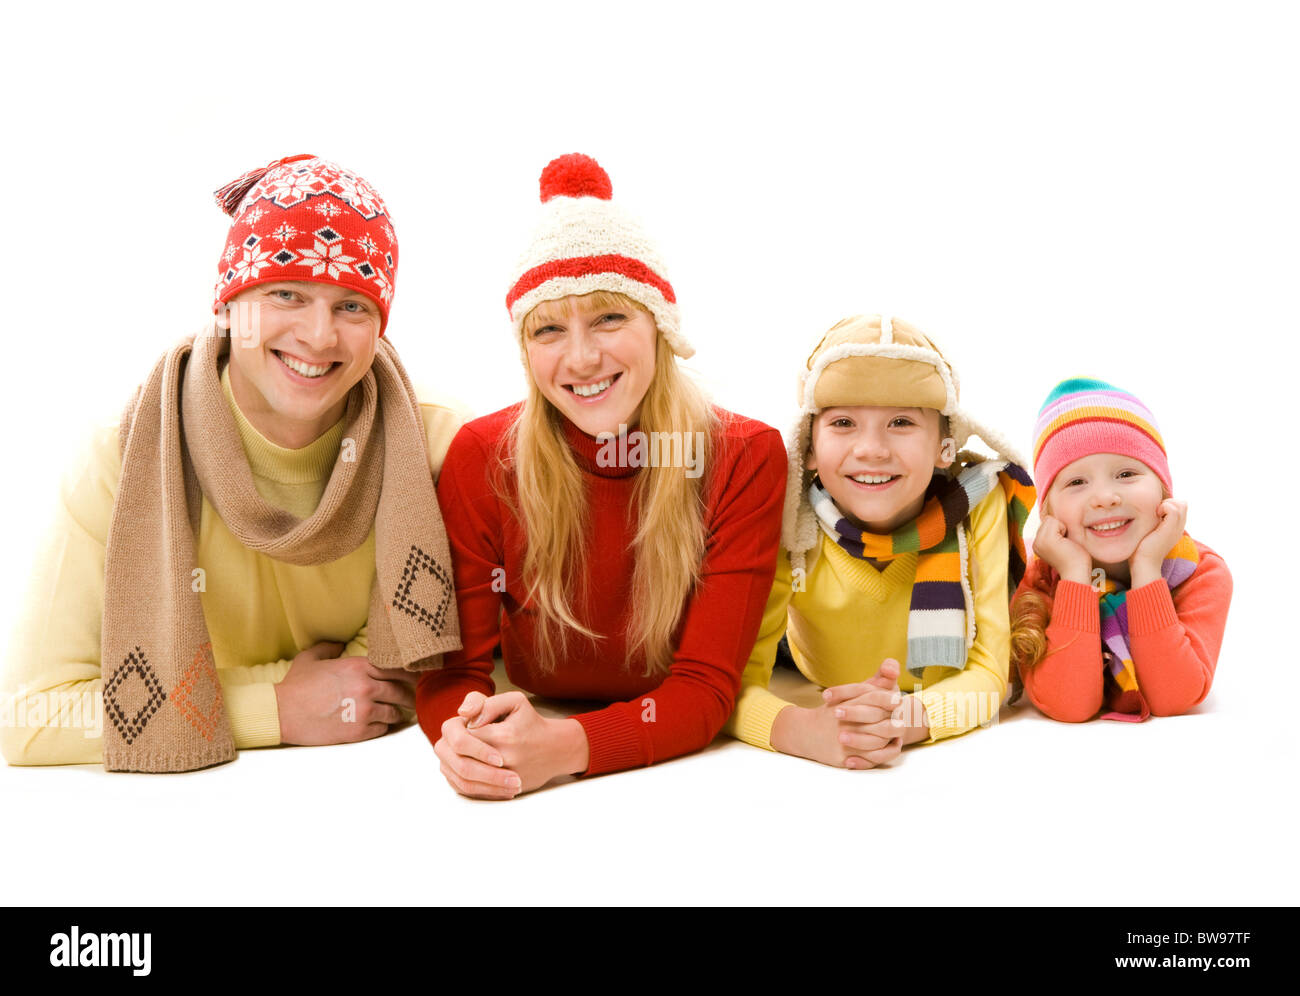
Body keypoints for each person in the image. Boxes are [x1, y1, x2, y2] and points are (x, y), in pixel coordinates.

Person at [1, 154, 467, 772]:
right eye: (285, 294)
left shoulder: (435, 446)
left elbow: (440, 666)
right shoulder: (121, 456)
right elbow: (32, 717)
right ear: (229, 304)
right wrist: (276, 706)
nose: (319, 336)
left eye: (352, 305)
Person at [417, 153, 786, 799]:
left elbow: (704, 691)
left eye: (610, 318)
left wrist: (562, 749)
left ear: (660, 328)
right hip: (538, 712)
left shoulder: (743, 455)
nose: (581, 357)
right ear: (525, 349)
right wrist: (469, 741)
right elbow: (455, 673)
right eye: (549, 330)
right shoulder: (482, 455)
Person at [725, 315, 1035, 768]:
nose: (871, 449)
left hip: (921, 693)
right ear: (809, 446)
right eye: (844, 422)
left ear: (944, 447)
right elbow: (732, 682)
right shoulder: (789, 515)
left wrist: (906, 719)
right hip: (804, 662)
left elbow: (990, 672)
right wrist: (804, 732)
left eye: (901, 422)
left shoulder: (976, 505)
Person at [1010, 378, 1231, 722]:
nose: (1104, 497)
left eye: (1126, 473)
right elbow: (1070, 704)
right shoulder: (1039, 578)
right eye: (1077, 482)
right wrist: (1074, 576)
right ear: (1049, 513)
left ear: (1163, 489)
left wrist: (1147, 568)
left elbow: (1175, 697)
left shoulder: (1202, 572)